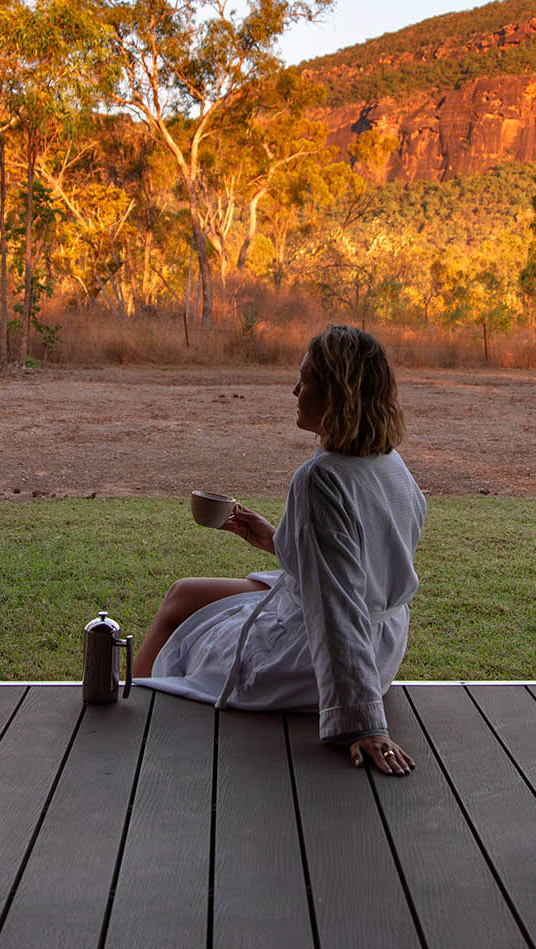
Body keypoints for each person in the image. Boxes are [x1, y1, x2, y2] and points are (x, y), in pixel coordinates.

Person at [133, 324, 427, 775]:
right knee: (184, 594)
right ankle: (134, 693)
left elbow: (336, 607)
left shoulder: (320, 478)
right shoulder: (389, 463)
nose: (294, 391)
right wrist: (277, 540)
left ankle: (130, 714)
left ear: (336, 394)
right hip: (382, 649)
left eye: (305, 381)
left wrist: (363, 722)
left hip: (319, 664)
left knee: (191, 634)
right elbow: (359, 562)